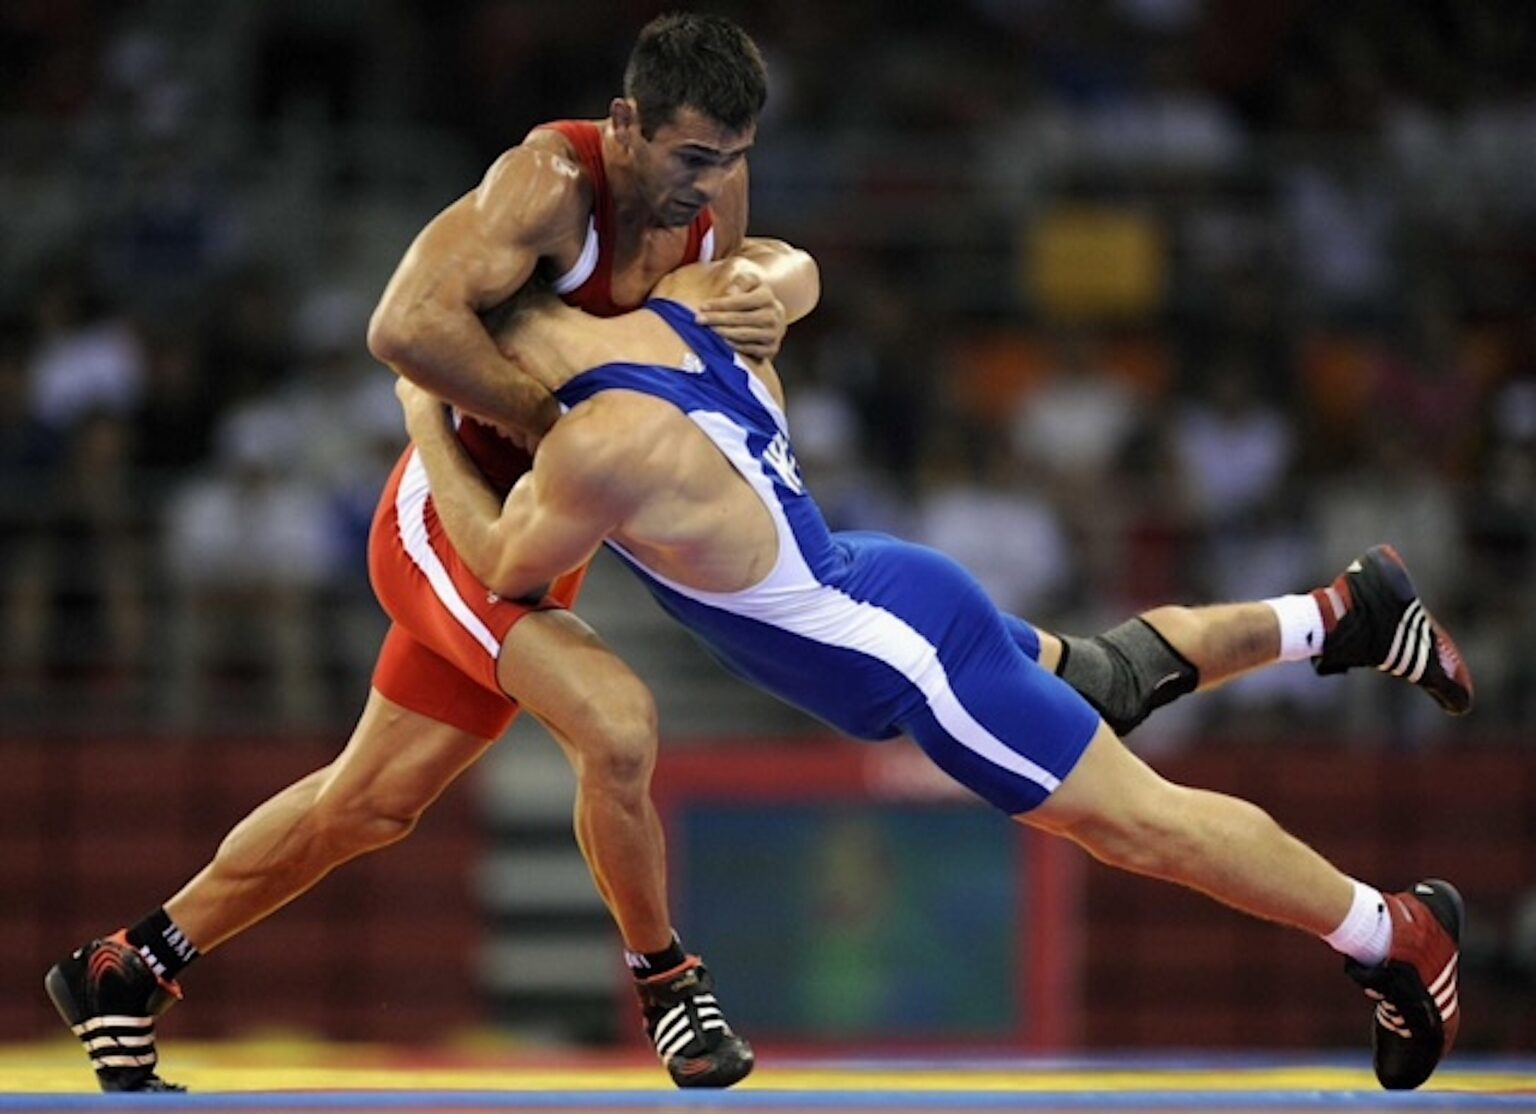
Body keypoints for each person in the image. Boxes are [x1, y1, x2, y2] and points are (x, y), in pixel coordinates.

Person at [395, 240, 1471, 1093]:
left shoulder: (593, 444)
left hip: (909, 660)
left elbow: (496, 561)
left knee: (1141, 822)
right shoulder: (690, 307)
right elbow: (785, 264)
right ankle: (1339, 615)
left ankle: (1394, 934)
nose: (486, 422)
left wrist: (423, 421)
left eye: (473, 393)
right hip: (887, 579)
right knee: (1106, 679)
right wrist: (787, 285)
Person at [45, 13, 802, 1094]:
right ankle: (669, 983)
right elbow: (401, 327)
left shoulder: (716, 190)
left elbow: (742, 297)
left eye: (731, 159)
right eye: (690, 158)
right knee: (618, 725)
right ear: (625, 123)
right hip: (454, 513)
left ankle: (124, 968)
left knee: (371, 803)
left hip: (547, 526)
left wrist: (771, 300)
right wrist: (551, 421)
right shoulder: (548, 183)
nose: (710, 184)